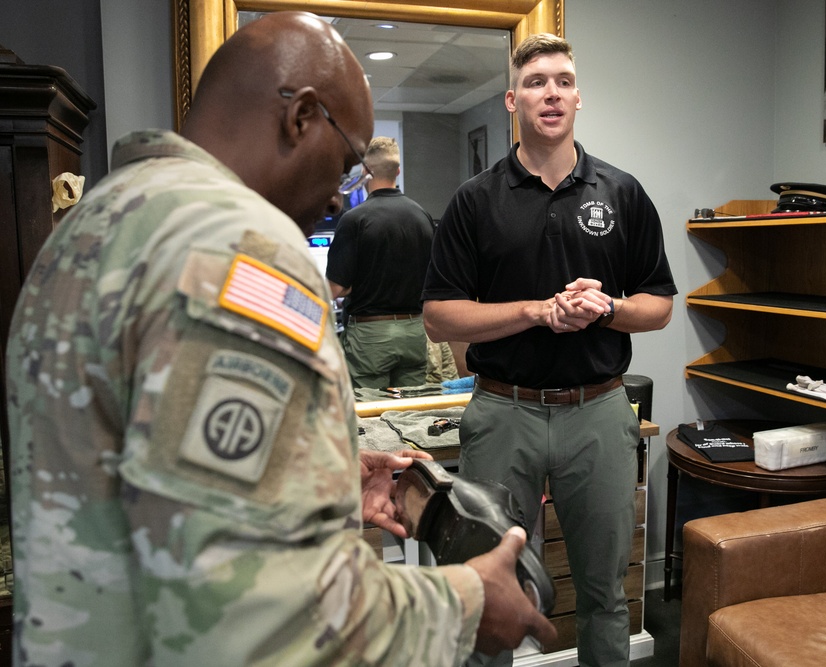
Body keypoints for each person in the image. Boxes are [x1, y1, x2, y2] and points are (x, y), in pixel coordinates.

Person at [4, 12, 555, 666]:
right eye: (347, 164)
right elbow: (265, 617)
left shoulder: (84, 230)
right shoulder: (247, 253)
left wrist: (313, 480)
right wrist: (466, 600)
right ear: (302, 117)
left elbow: (143, 475)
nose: (336, 201)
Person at [422, 33, 676, 667]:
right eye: (536, 82)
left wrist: (609, 308)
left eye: (562, 80)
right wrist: (538, 311)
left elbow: (661, 304)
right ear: (513, 100)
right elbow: (437, 317)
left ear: (579, 97)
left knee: (604, 597)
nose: (551, 92)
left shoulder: (623, 193)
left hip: (599, 411)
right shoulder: (475, 201)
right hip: (504, 413)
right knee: (488, 593)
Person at [326, 136, 436, 389]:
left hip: (370, 336)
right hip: (414, 331)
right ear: (397, 171)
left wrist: (355, 285)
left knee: (371, 416)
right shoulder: (422, 216)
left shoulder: (355, 219)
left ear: (366, 172)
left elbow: (334, 288)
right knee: (412, 411)